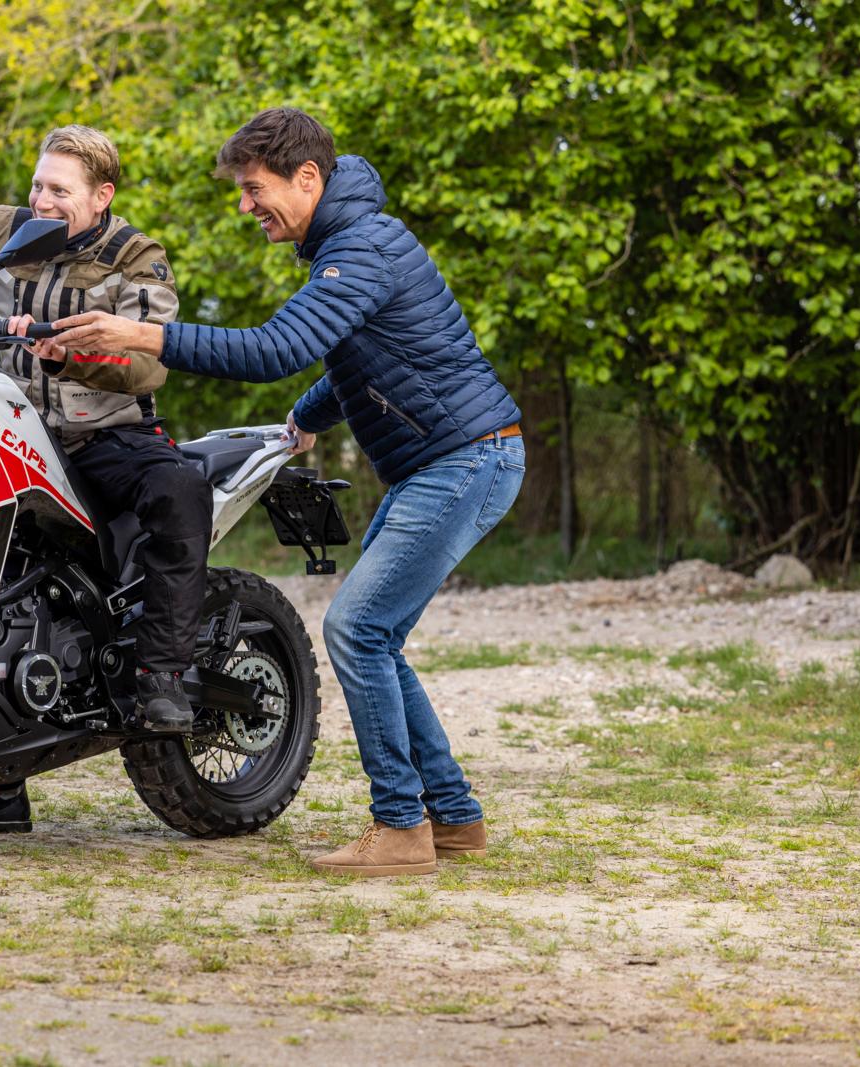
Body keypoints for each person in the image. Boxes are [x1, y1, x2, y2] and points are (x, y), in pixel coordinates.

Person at [52, 107, 525, 877]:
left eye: (254, 188)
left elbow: (277, 348)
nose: (246, 205)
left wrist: (139, 334)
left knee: (358, 630)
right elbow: (364, 356)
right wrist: (305, 418)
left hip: (466, 459)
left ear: (307, 178)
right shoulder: (348, 244)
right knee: (378, 636)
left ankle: (400, 827)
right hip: (448, 461)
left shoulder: (361, 248)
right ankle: (453, 813)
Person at [0, 124, 214, 835]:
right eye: (38, 184)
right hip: (10, 427)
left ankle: (164, 675)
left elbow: (147, 363)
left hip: (102, 436)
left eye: (60, 189)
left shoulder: (136, 257)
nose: (42, 200)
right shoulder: (4, 229)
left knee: (179, 488)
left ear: (101, 195)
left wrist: (68, 353)